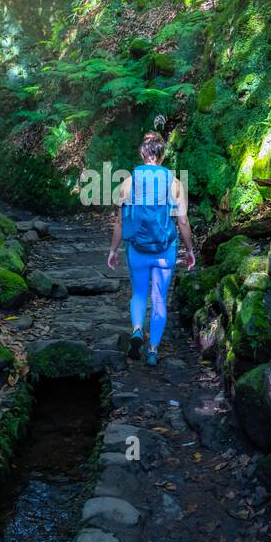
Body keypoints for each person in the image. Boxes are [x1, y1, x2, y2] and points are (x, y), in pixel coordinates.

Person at [106, 131, 195, 367]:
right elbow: (183, 222)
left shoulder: (128, 182)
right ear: (162, 155)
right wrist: (190, 250)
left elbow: (120, 222)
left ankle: (137, 331)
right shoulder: (174, 183)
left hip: (137, 249)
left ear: (142, 154)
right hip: (165, 251)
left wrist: (114, 250)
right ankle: (153, 350)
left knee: (138, 294)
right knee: (159, 299)